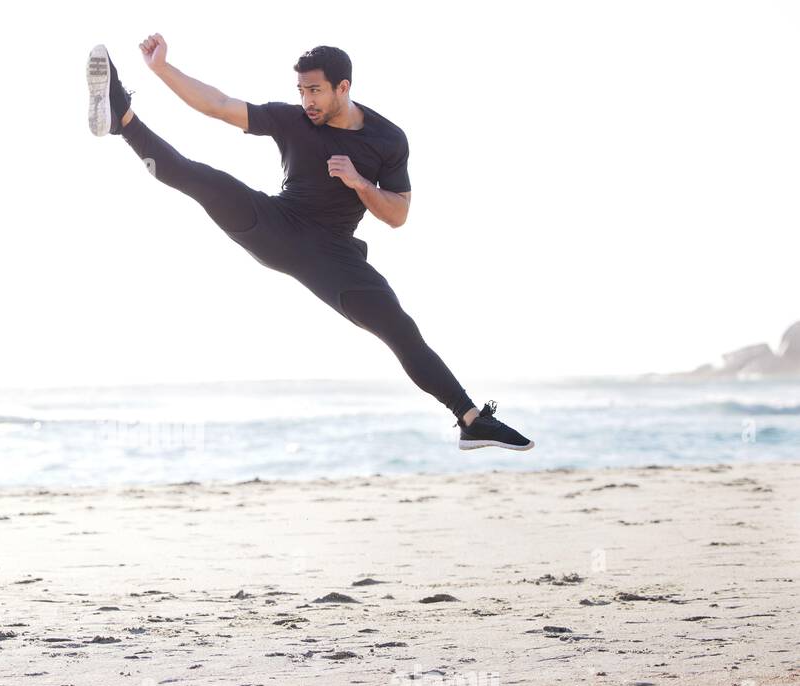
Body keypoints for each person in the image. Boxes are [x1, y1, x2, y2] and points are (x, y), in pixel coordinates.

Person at [87, 37, 534, 451]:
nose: (307, 101)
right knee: (203, 180)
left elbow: (398, 215)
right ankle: (123, 116)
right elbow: (219, 105)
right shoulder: (292, 119)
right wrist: (162, 68)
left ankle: (471, 421)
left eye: (316, 91)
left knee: (399, 328)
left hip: (333, 256)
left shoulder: (387, 139)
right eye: (301, 90)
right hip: (276, 226)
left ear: (343, 87)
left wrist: (360, 183)